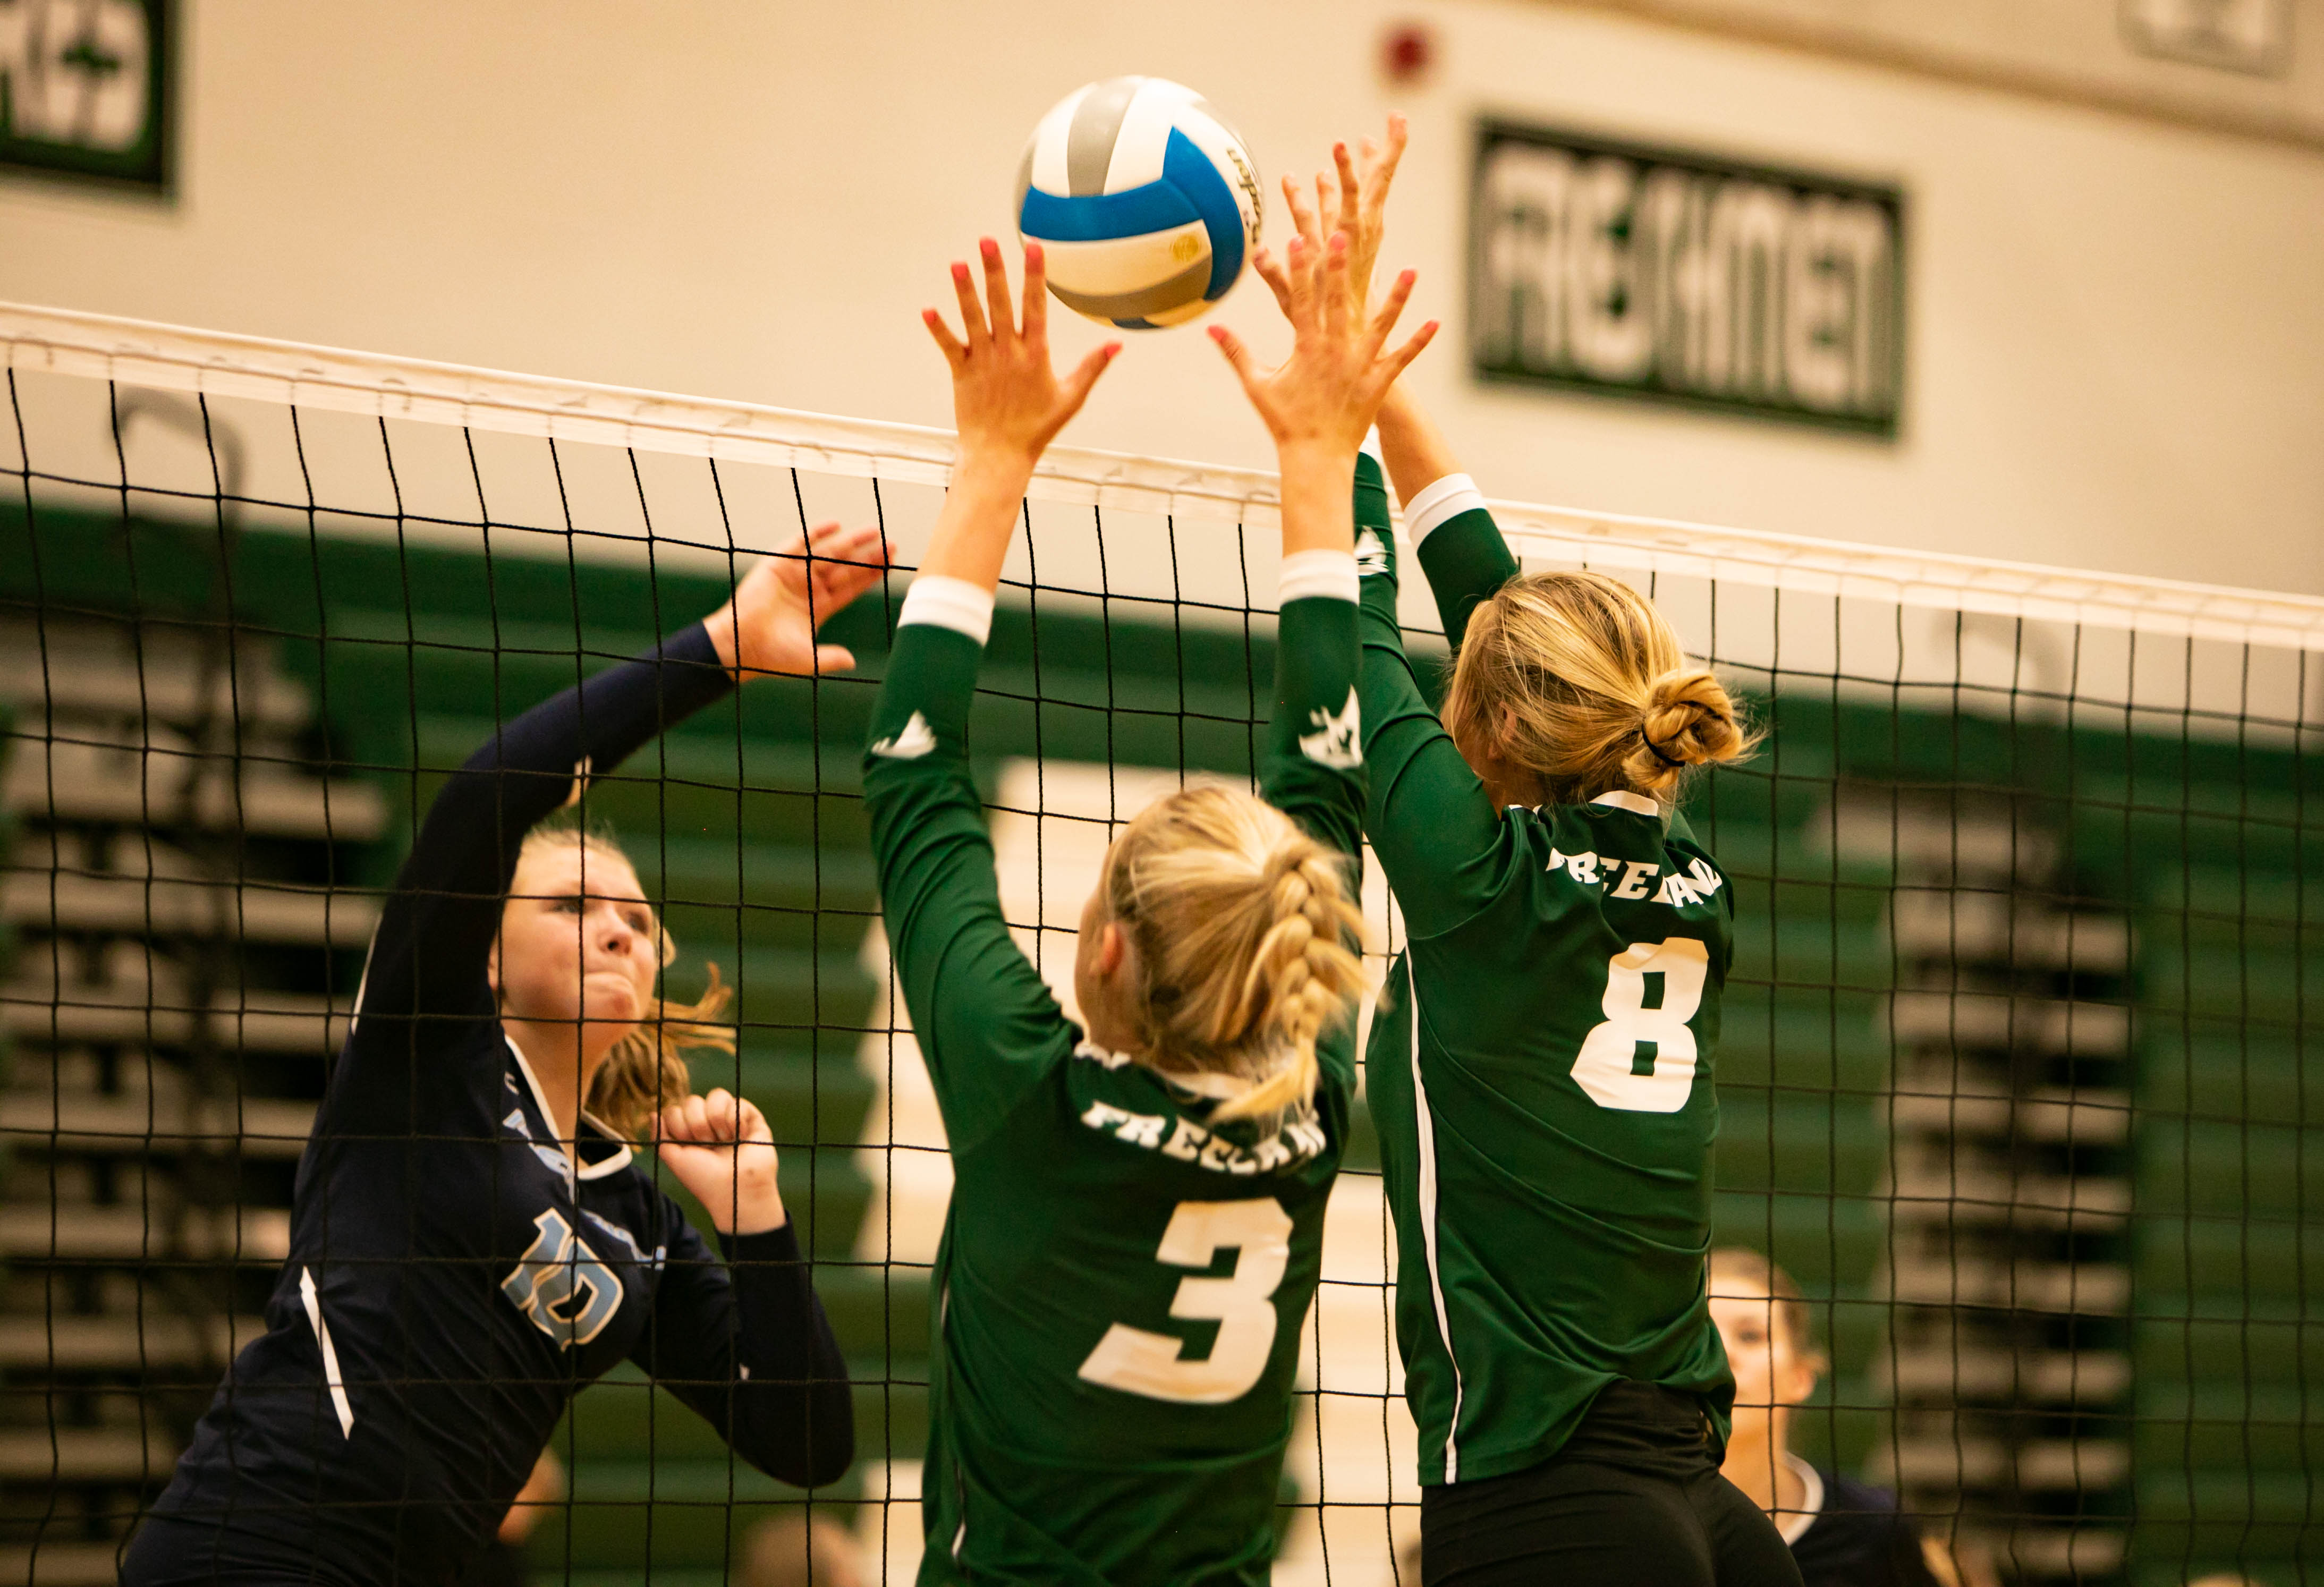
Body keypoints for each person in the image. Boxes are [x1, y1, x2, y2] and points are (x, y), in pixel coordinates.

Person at [121, 525, 878, 1587]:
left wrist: (755, 1211)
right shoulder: (426, 1057)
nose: (620, 928)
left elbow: (808, 1441)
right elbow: (489, 792)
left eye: (638, 917)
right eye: (573, 904)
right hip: (255, 1544)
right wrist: (725, 646)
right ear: (484, 955)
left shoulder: (637, 1218)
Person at [864, 209, 1432, 1584]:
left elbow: (1318, 789)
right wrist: (1318, 456)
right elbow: (918, 789)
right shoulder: (1300, 1105)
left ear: (1105, 940)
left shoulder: (1043, 1095)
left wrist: (994, 452)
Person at [1272, 120, 1783, 1587]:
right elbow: (1509, 632)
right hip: (1701, 1507)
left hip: (1543, 1504)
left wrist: (1326, 429)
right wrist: (1378, 387)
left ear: (1493, 725)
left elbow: (1348, 639)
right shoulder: (1689, 875)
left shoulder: (1478, 886)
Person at [1710, 1248, 1949, 1587]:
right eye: (1700, 1338)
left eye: (1750, 1336)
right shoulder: (1628, 1524)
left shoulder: (1872, 1530)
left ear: (1800, 1376)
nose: (1722, 1354)